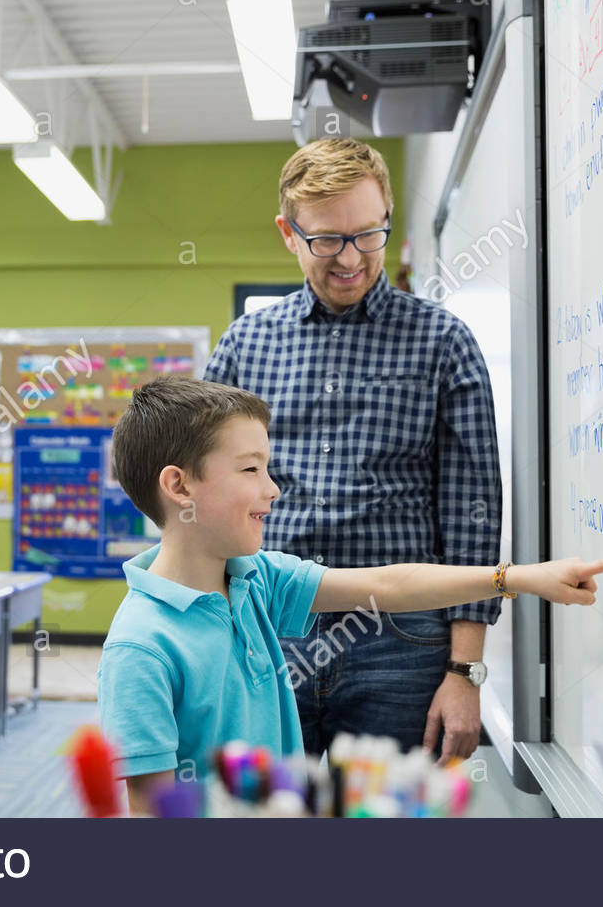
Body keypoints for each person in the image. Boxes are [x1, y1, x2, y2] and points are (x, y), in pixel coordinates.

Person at [96, 377, 603, 814]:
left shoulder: (256, 579)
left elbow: (387, 587)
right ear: (179, 487)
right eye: (251, 470)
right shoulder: (142, 649)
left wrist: (513, 579)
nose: (273, 489)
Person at [203, 137, 503, 763]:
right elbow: (210, 501)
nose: (351, 259)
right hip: (267, 635)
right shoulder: (244, 344)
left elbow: (472, 511)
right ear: (289, 233)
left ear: (388, 216)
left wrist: (465, 672)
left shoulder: (442, 341)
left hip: (402, 645)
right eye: (326, 240)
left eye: (368, 235)